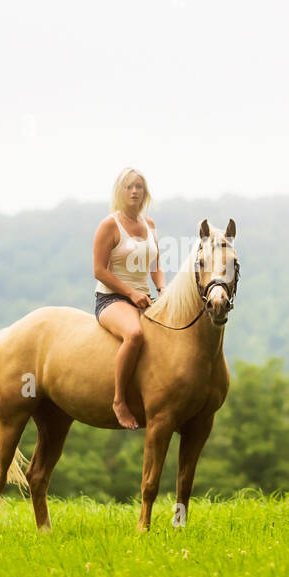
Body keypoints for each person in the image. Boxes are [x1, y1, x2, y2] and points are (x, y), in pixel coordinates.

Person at [93, 168, 164, 428]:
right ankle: (119, 401)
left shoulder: (151, 225)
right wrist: (132, 293)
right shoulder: (109, 225)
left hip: (144, 298)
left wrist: (162, 290)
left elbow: (155, 265)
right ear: (120, 192)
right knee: (134, 334)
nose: (134, 191)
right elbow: (99, 270)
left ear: (145, 192)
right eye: (129, 187)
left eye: (139, 187)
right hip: (112, 300)